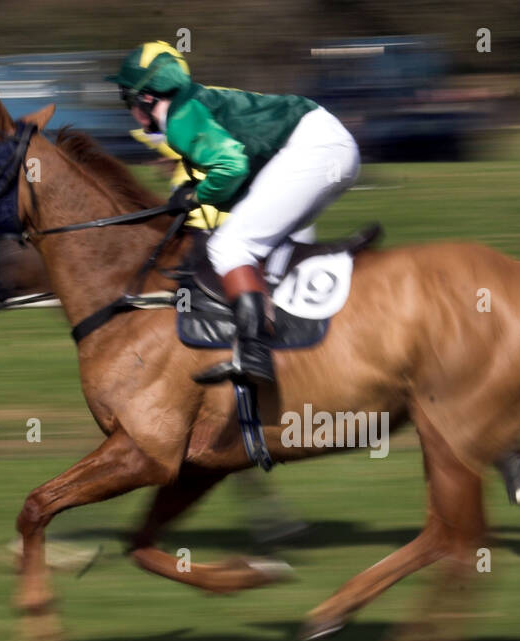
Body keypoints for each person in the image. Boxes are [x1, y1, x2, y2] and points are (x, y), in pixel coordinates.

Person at [107, 41, 359, 387]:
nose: (130, 110)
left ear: (148, 98)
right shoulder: (194, 103)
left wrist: (198, 195)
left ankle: (254, 350)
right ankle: (298, 347)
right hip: (326, 145)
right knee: (266, 245)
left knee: (229, 247)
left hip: (315, 149)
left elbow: (231, 167)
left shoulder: (180, 118)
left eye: (129, 100)